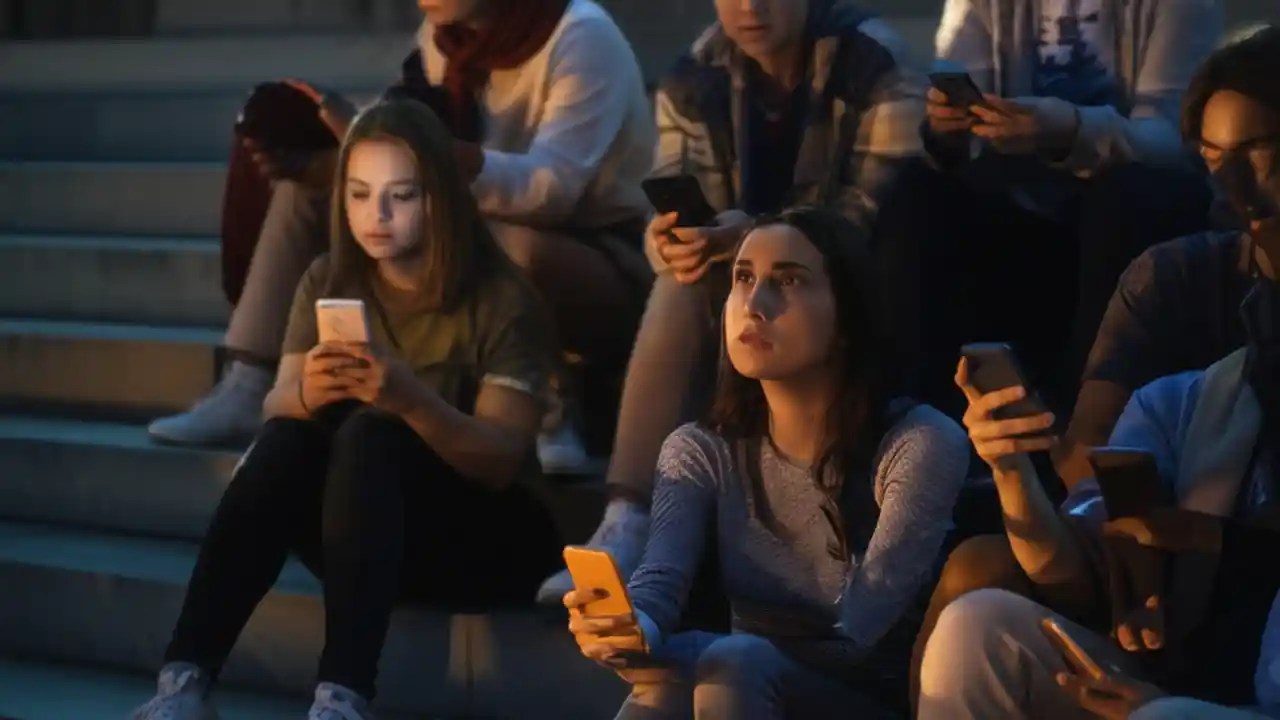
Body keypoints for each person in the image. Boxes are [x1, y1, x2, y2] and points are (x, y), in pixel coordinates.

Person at [131, 100, 562, 720]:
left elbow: (498, 459)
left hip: (485, 537)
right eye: (359, 195)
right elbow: (278, 400)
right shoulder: (329, 277)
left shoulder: (500, 298)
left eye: (400, 195)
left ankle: (341, 699)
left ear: (438, 196)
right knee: (289, 438)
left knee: (372, 434)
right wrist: (311, 391)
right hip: (362, 532)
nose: (375, 216)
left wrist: (409, 399)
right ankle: (185, 681)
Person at [148, 0, 656, 473]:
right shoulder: (444, 40)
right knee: (317, 185)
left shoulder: (581, 36)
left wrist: (437, 157)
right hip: (467, 227)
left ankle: (545, 396)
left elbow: (551, 189)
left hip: (599, 261)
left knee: (510, 245)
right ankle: (251, 377)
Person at [537, 0, 926, 602]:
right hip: (742, 286)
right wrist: (671, 242)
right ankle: (626, 518)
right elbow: (670, 199)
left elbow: (870, 219)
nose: (749, 7)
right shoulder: (697, 72)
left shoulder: (874, 63)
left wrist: (754, 236)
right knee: (681, 278)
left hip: (852, 286)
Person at [917, 112, 1280, 717]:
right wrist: (1010, 468)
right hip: (1180, 681)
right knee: (980, 623)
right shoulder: (1185, 401)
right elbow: (1076, 568)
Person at [564, 207, 970, 719]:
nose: (754, 304)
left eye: (789, 281)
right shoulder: (701, 449)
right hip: (740, 690)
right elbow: (659, 583)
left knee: (725, 660)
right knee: (665, 683)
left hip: (867, 701)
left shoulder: (921, 441)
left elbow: (859, 636)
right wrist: (630, 632)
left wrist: (688, 652)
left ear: (847, 318)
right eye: (743, 278)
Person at [916, 0, 1220, 415]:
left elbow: (1173, 139)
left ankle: (1088, 426)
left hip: (1126, 202)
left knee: (1130, 196)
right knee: (919, 194)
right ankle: (928, 424)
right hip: (1016, 196)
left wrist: (1072, 131)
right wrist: (949, 126)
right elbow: (963, 122)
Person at [1053, 23, 1280, 486]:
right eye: (1215, 157)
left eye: (1255, 152)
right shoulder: (1172, 276)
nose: (1234, 184)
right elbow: (1090, 453)